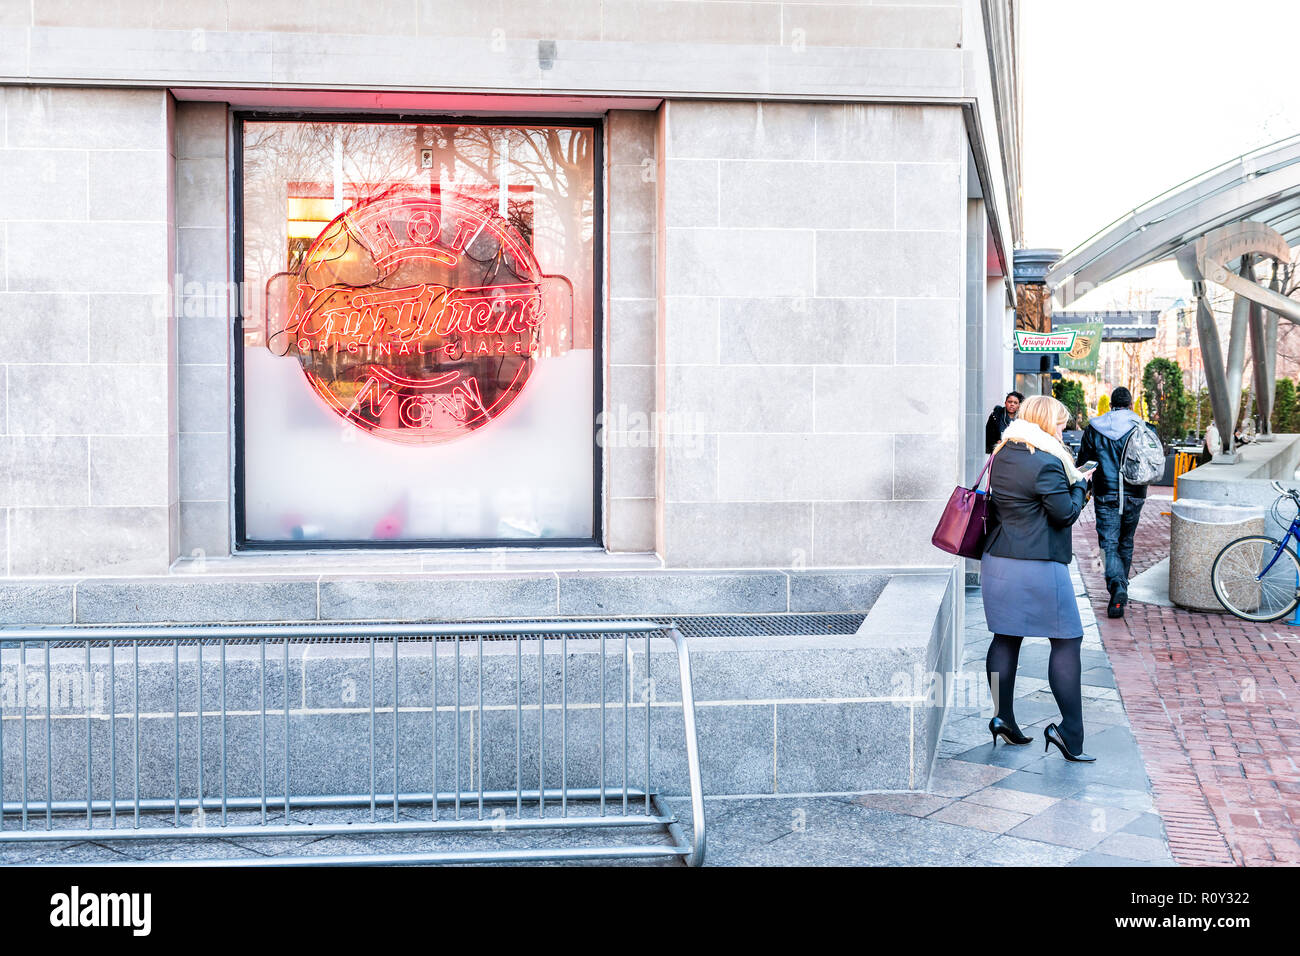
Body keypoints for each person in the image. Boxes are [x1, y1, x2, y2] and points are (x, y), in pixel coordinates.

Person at [982, 394, 1097, 762]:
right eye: (1061, 423)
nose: (1064, 430)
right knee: (1067, 640)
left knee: (1005, 637)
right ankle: (1070, 733)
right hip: (1038, 562)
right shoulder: (1046, 462)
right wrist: (1082, 485)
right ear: (1047, 422)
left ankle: (1003, 718)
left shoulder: (1001, 453)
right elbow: (1064, 514)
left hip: (998, 560)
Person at [1077, 386, 1160, 619]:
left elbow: (1084, 462)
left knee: (1107, 543)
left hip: (1106, 493)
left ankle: (1117, 586)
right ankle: (1121, 586)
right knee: (1126, 540)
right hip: (1136, 492)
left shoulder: (1095, 427)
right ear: (1131, 404)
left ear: (1111, 405)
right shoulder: (1143, 426)